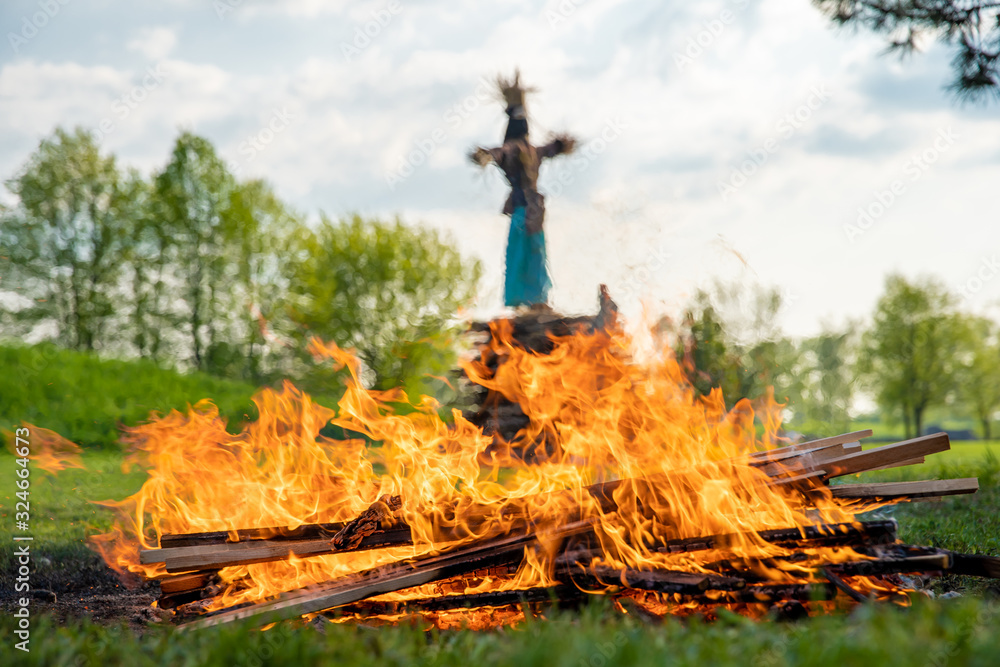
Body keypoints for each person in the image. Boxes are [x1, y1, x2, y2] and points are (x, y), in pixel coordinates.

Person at [470, 71, 576, 309]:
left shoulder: (513, 148)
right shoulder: (532, 150)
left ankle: (524, 301)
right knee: (534, 252)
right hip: (534, 210)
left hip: (522, 210)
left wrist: (485, 156)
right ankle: (536, 299)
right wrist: (562, 144)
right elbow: (554, 148)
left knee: (520, 255)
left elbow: (497, 153)